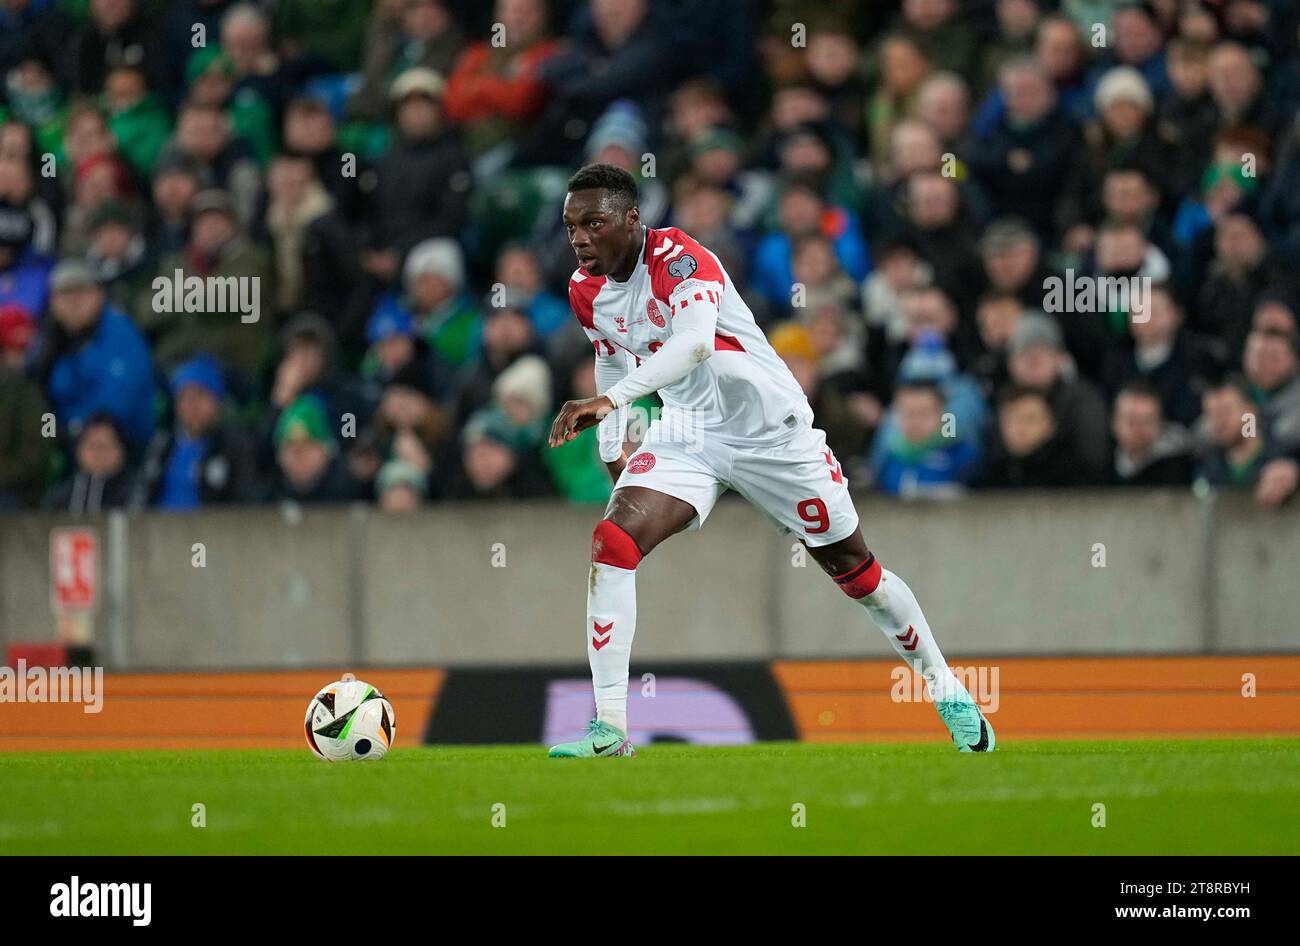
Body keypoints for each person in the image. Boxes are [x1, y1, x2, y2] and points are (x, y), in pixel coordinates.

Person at [545, 164, 994, 758]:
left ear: (632, 219)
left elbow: (695, 342)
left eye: (593, 222)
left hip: (771, 435)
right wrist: (611, 445)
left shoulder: (680, 258)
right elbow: (611, 357)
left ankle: (949, 692)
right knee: (613, 544)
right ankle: (609, 730)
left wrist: (612, 400)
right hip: (687, 432)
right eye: (572, 225)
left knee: (860, 576)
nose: (579, 237)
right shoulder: (585, 288)